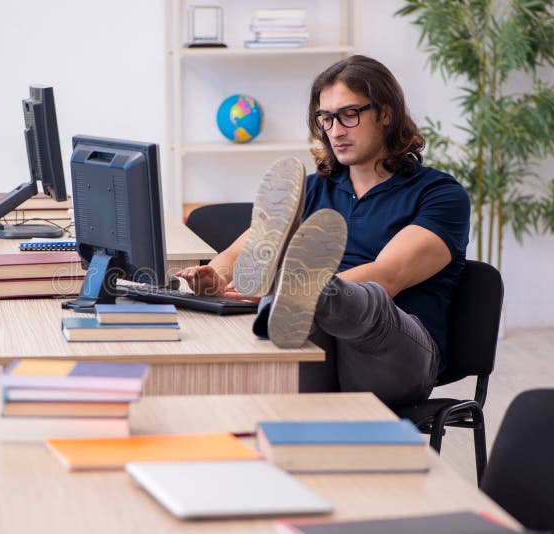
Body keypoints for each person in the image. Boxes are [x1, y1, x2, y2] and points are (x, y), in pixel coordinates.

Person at [176, 55, 470, 405]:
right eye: (326, 118)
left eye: (349, 114)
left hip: (397, 353)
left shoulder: (439, 194)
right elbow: (247, 249)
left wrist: (295, 289)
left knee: (366, 301)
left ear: (386, 113)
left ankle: (310, 290)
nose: (336, 130)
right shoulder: (311, 190)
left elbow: (389, 275)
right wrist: (216, 274)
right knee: (302, 325)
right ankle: (299, 294)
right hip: (318, 347)